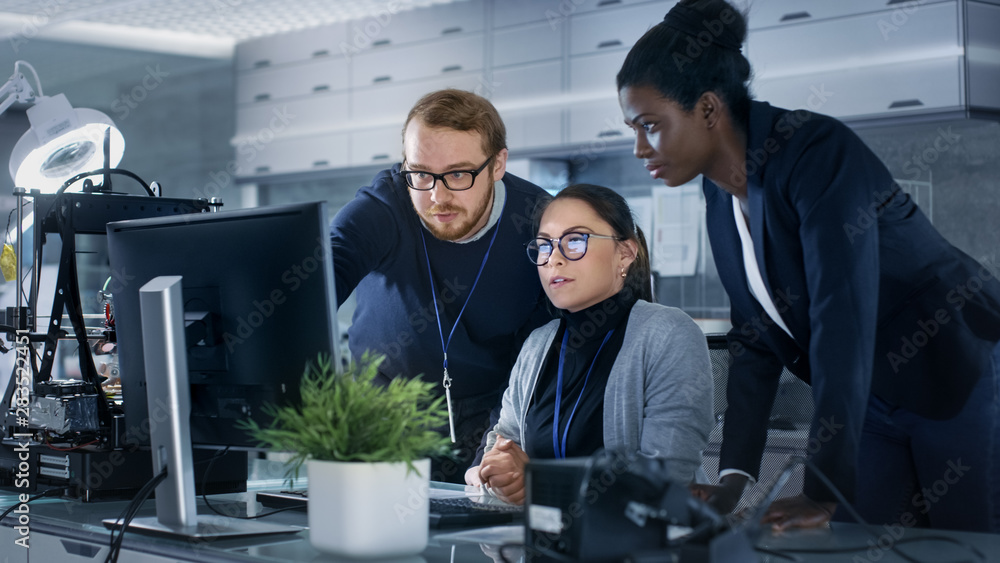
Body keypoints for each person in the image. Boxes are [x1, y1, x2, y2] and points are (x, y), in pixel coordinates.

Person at [617, 0, 1000, 533]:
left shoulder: (817, 152)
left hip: (961, 370)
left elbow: (841, 319)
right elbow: (753, 337)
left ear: (707, 110)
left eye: (649, 125)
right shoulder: (719, 191)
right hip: (874, 395)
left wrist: (822, 491)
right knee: (863, 544)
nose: (639, 147)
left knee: (969, 546)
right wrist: (731, 482)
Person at [329, 89, 553, 483]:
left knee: (469, 535)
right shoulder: (386, 204)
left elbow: (539, 359)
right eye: (420, 174)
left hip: (490, 416)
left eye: (458, 174)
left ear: (498, 163)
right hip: (380, 412)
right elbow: (321, 275)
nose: (437, 196)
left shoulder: (538, 222)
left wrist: (496, 447)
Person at [466, 184, 714, 505]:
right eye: (544, 246)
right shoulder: (538, 343)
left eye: (575, 240)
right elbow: (502, 442)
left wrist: (537, 481)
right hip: (546, 542)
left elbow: (665, 476)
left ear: (624, 253)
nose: (553, 259)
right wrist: (498, 472)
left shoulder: (668, 333)